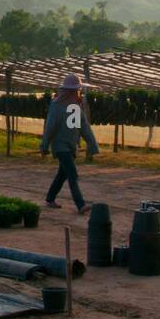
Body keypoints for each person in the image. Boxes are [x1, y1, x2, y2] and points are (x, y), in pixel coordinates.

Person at [40, 73, 100, 214]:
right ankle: (81, 205)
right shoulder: (56, 106)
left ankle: (50, 198)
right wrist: (44, 145)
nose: (76, 93)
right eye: (74, 90)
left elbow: (84, 127)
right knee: (72, 174)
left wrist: (93, 145)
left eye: (77, 90)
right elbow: (50, 128)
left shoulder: (76, 108)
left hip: (71, 146)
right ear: (67, 91)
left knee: (62, 174)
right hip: (60, 147)